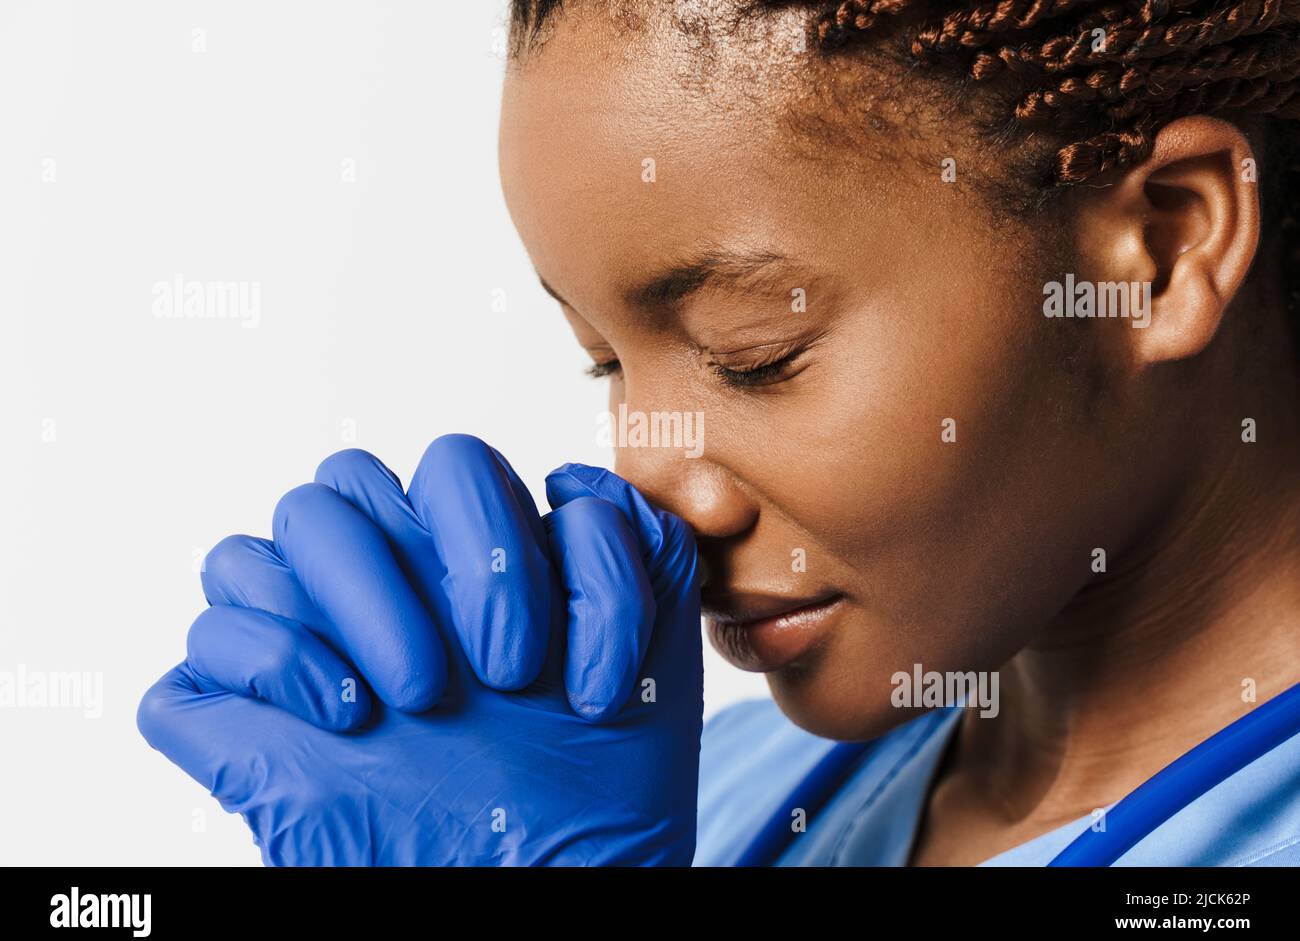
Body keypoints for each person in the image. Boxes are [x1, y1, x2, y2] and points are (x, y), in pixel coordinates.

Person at [138, 0, 1300, 866]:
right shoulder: (718, 789)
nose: (649, 481)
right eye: (602, 360)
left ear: (1158, 249)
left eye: (755, 354)